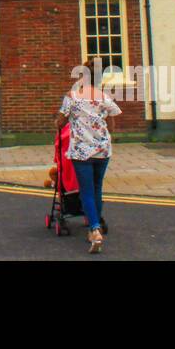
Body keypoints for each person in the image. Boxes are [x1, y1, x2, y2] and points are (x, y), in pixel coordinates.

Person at [55, 68, 121, 254]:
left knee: (86, 191)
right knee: (97, 188)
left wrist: (64, 121)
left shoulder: (72, 97)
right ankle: (96, 222)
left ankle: (94, 230)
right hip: (103, 149)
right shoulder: (104, 96)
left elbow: (60, 122)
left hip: (82, 150)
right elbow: (113, 120)